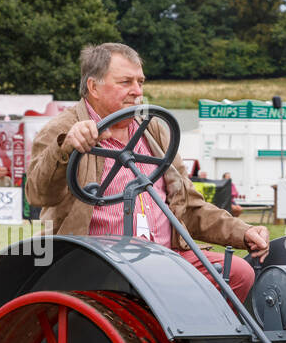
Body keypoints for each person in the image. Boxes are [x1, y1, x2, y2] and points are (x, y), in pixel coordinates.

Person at [26, 42, 267, 302]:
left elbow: (189, 207)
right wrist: (67, 147)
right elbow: (38, 194)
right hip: (101, 262)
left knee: (239, 273)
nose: (137, 92)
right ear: (93, 87)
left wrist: (242, 231)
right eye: (125, 82)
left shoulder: (153, 132)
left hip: (163, 257)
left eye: (140, 82)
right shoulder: (62, 130)